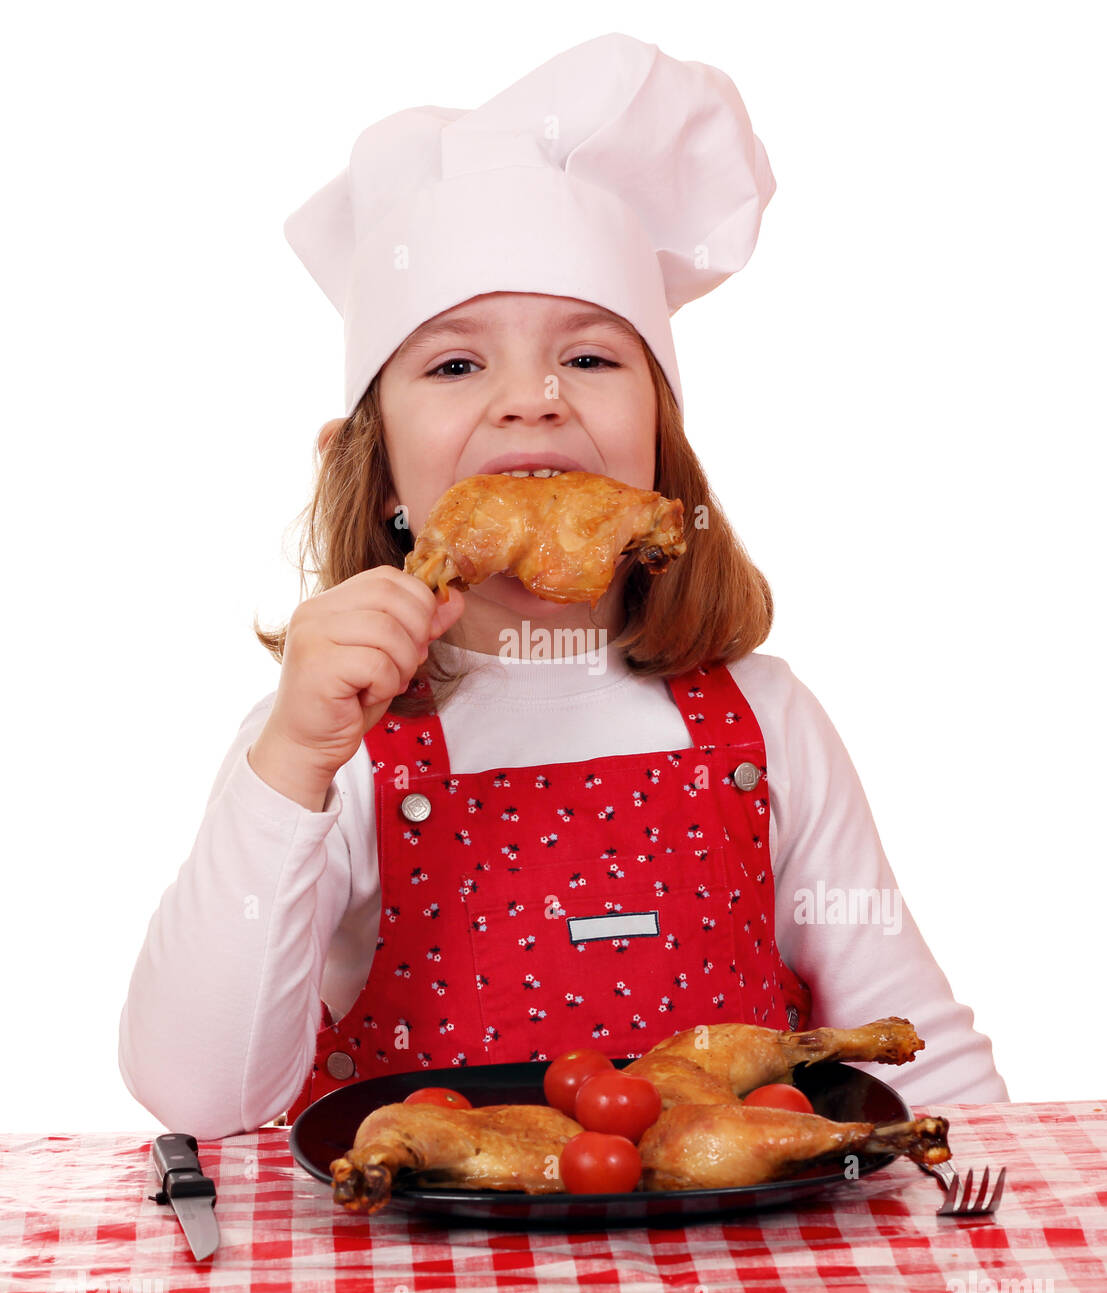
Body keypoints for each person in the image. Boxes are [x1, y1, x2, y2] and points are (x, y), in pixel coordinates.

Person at [118, 33, 1007, 1140]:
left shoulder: (769, 721)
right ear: (383, 475)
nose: (531, 399)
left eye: (589, 357)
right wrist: (290, 764)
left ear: (657, 460)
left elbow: (915, 1047)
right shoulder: (336, 742)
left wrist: (999, 1193)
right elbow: (200, 1095)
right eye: (454, 363)